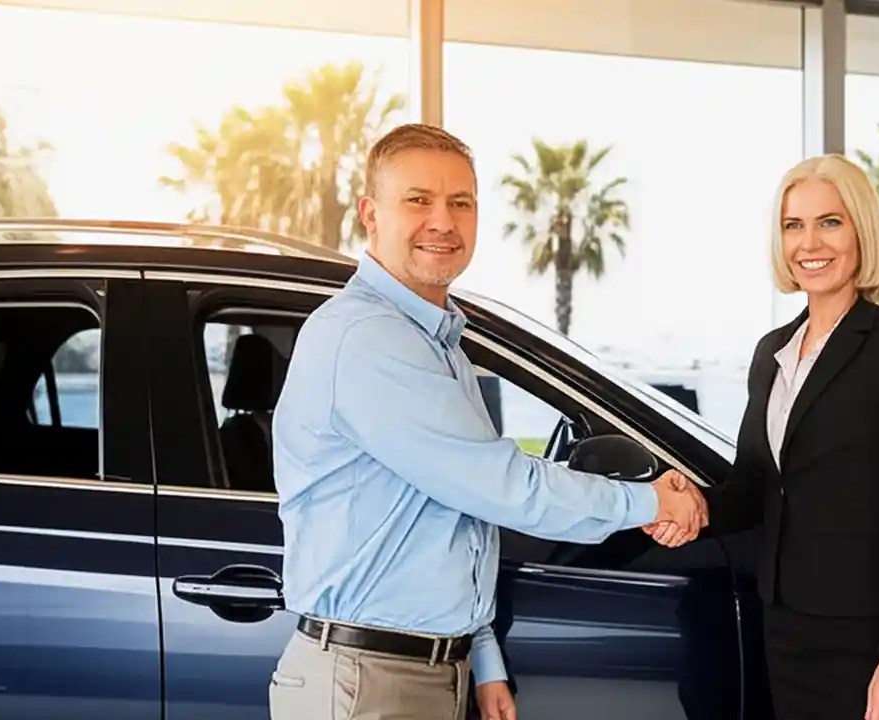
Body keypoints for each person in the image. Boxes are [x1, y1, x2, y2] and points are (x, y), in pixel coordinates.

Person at [267, 123, 706, 720]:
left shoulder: (439, 342)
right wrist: (651, 502)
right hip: (367, 685)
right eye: (418, 200)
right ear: (371, 213)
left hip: (412, 674)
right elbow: (500, 486)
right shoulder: (368, 338)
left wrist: (480, 657)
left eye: (461, 203)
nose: (442, 221)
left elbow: (452, 511)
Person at [651, 153, 879, 720]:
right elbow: (755, 485)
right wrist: (690, 505)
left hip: (864, 634)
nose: (809, 242)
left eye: (829, 222)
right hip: (784, 621)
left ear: (861, 230)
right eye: (794, 225)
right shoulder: (773, 352)